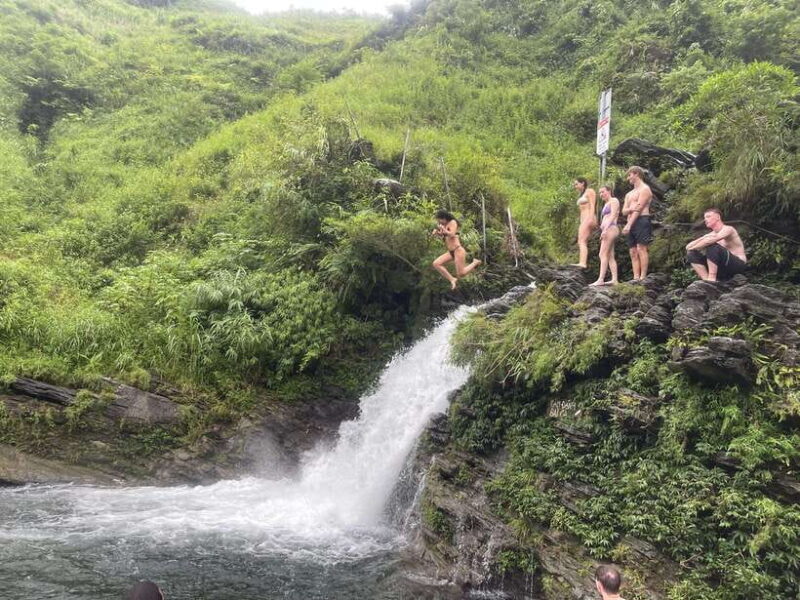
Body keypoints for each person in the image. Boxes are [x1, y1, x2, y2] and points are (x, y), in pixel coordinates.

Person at [685, 208, 747, 281]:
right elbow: (688, 247)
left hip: (736, 265)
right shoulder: (711, 234)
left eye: (708, 216)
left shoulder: (728, 229)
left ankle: (712, 278)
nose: (705, 220)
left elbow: (711, 241)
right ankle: (706, 281)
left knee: (713, 246)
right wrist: (703, 238)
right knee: (691, 254)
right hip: (721, 267)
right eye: (704, 218)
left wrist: (694, 247)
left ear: (718, 217)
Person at [431, 209, 482, 290]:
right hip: (451, 252)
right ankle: (452, 279)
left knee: (461, 274)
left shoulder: (453, 222)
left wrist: (443, 230)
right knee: (436, 263)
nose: (439, 222)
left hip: (458, 250)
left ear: (444, 218)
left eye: (440, 220)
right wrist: (437, 233)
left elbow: (452, 234)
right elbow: (444, 236)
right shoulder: (444, 225)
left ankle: (475, 262)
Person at [621, 166, 653, 281]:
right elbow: (624, 211)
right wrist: (630, 209)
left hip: (642, 220)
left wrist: (629, 224)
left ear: (636, 174)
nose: (628, 178)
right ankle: (635, 277)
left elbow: (639, 208)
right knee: (632, 251)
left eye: (629, 175)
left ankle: (643, 277)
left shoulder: (645, 189)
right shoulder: (629, 194)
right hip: (630, 220)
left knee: (641, 248)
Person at [590, 185, 620, 286]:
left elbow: (612, 216)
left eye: (603, 192)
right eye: (600, 193)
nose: (601, 194)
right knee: (610, 255)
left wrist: (605, 229)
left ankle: (601, 279)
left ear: (609, 191)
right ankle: (614, 279)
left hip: (611, 228)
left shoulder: (614, 201)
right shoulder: (606, 203)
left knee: (602, 254)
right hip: (608, 229)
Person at [573, 177, 597, 268]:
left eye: (576, 184)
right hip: (584, 219)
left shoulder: (589, 191)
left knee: (581, 240)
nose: (575, 186)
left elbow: (592, 205)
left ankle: (583, 263)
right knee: (582, 240)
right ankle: (582, 262)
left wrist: (590, 218)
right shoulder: (581, 194)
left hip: (588, 217)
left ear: (582, 183)